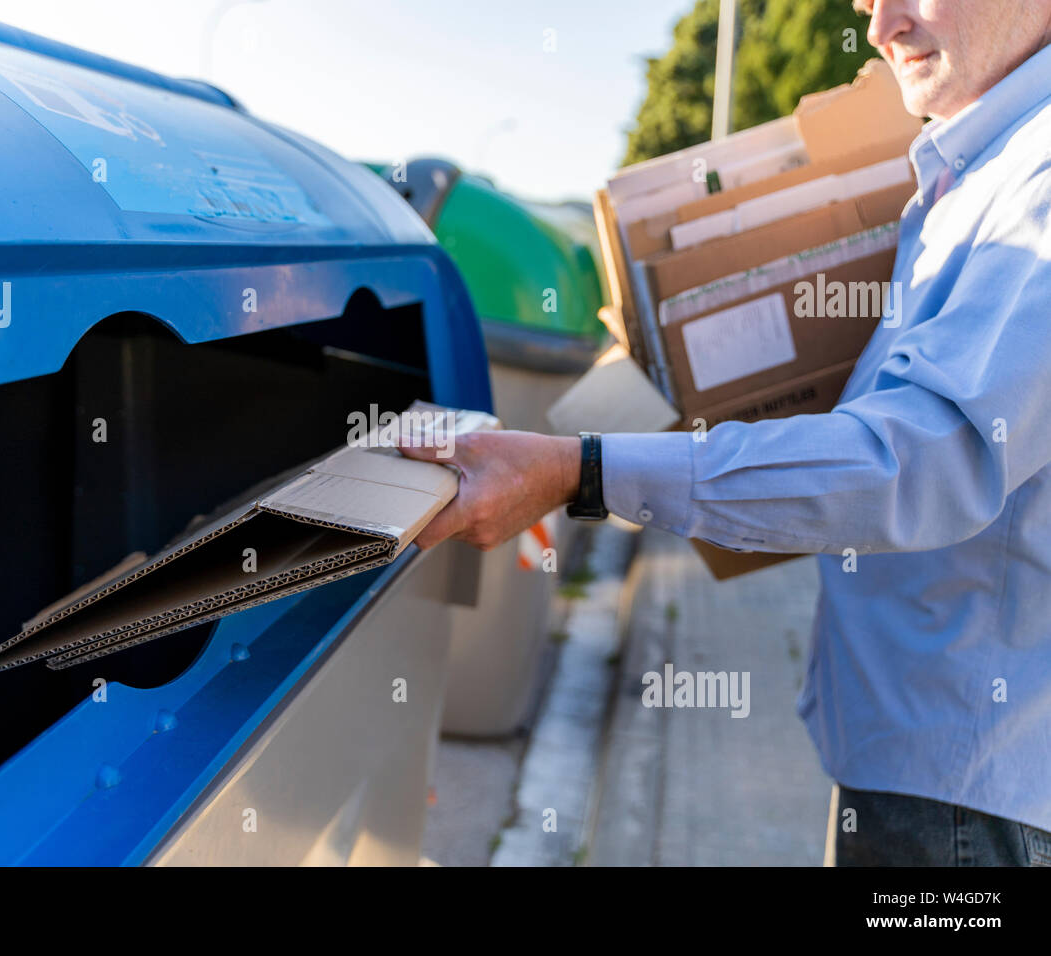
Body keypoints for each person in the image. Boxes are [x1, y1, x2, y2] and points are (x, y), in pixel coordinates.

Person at [401, 0, 1051, 866]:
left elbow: (911, 462)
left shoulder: (1036, 186)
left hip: (967, 796)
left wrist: (579, 471)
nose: (881, 25)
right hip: (927, 763)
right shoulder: (974, 170)